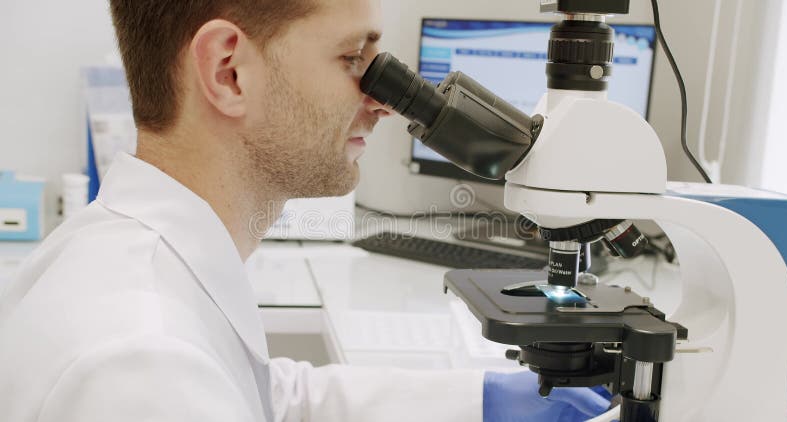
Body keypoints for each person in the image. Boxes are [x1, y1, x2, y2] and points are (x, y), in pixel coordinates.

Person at [0, 1, 610, 421]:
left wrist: (480, 401)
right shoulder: (143, 364)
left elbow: (271, 400)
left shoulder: (122, 254)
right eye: (353, 59)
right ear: (228, 72)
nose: (386, 105)